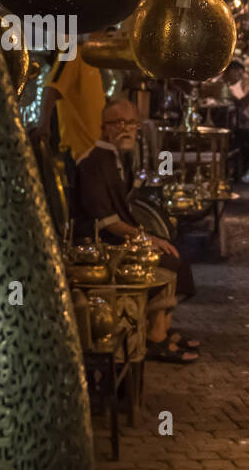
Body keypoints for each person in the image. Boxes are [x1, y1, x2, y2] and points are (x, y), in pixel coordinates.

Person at [73, 99, 199, 364]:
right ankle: (155, 337)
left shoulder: (117, 158)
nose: (126, 128)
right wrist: (146, 238)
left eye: (131, 123)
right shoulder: (93, 162)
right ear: (104, 127)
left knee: (174, 251)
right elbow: (106, 221)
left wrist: (152, 237)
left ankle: (161, 327)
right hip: (97, 243)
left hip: (114, 235)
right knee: (166, 258)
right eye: (118, 123)